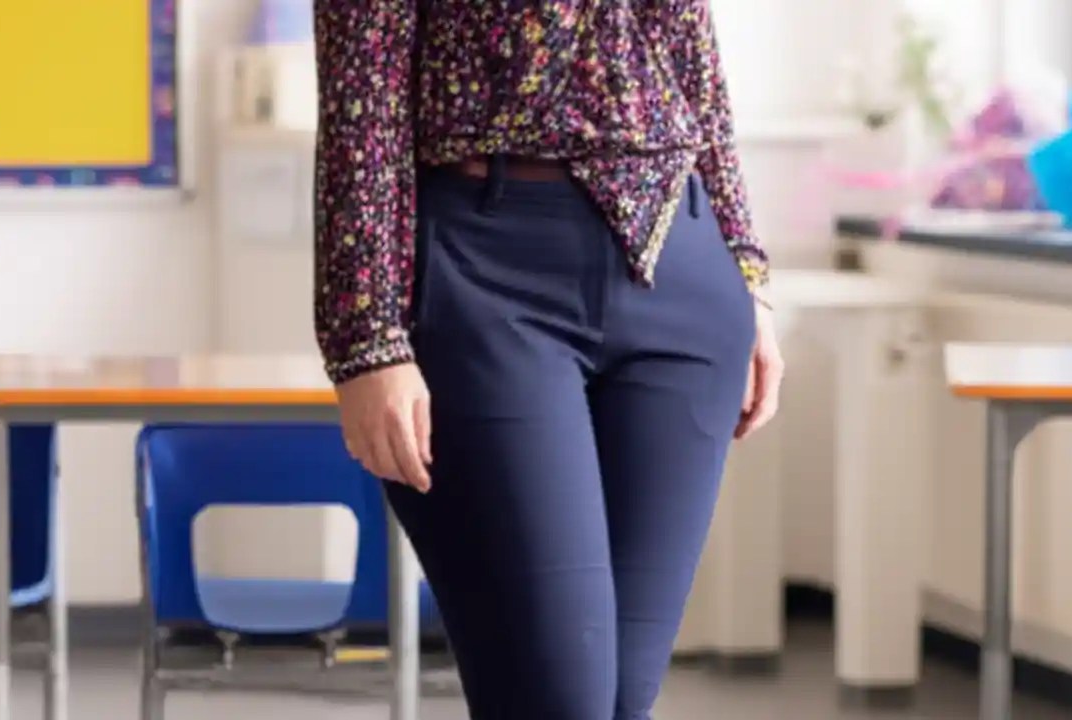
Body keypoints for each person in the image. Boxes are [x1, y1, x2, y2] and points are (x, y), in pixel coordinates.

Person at [313, 2, 784, 717]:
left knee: (624, 699)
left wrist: (748, 274)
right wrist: (366, 336)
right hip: (484, 274)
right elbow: (361, 106)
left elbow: (695, 66)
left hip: (682, 265)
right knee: (555, 699)